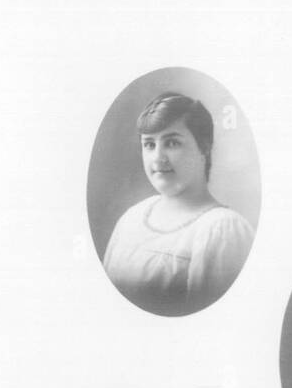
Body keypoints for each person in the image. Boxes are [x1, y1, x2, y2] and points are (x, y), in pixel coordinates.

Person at [101, 92, 255, 316]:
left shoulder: (222, 230)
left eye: (172, 143)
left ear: (204, 147)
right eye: (149, 144)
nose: (158, 158)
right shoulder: (131, 218)